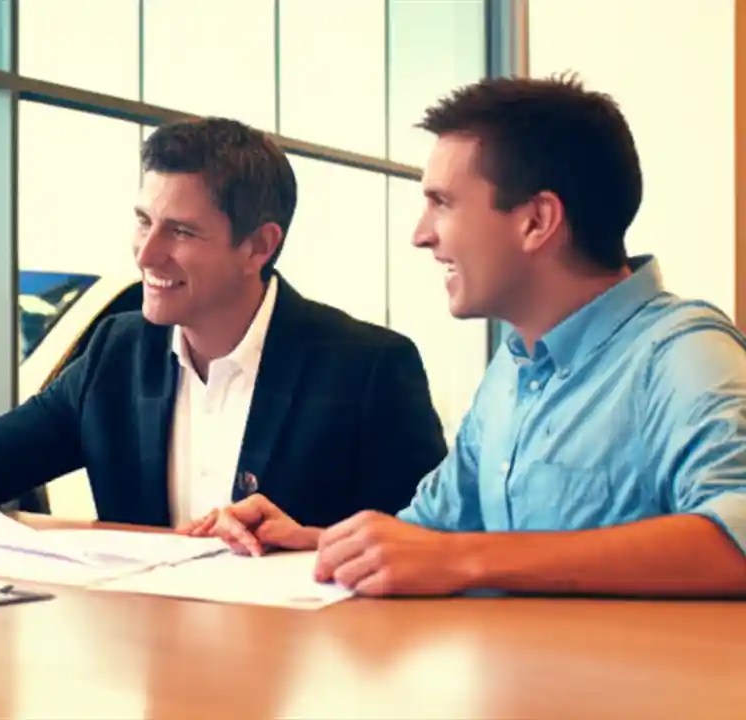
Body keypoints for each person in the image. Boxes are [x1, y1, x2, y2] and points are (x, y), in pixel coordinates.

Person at [185, 75, 746, 598]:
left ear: (536, 221)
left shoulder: (685, 353)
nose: (421, 235)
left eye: (442, 203)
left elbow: (738, 538)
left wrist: (465, 558)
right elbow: (431, 535)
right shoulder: (513, 369)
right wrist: (317, 541)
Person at [0, 117, 447, 542]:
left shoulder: (369, 366)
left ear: (258, 245)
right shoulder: (118, 351)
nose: (148, 254)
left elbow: (422, 548)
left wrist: (309, 545)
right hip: (149, 670)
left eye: (180, 232)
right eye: (144, 221)